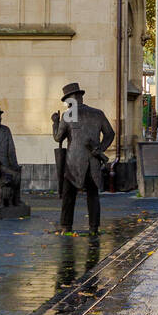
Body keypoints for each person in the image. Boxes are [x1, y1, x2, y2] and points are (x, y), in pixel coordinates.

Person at [52, 82, 114, 235]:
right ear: (80, 96)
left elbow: (58, 137)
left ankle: (66, 226)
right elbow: (110, 134)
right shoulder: (97, 113)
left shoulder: (68, 115)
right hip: (93, 161)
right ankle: (94, 227)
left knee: (68, 195)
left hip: (73, 163)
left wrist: (55, 122)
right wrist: (100, 149)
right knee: (93, 195)